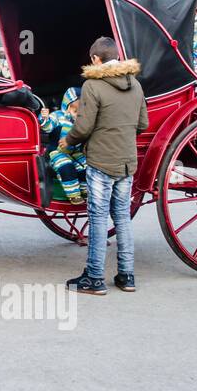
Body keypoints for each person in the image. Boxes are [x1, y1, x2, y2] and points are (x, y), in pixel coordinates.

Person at [62, 37, 149, 295]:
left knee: (98, 218)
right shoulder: (135, 85)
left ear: (95, 60)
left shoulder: (93, 85)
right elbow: (143, 124)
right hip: (126, 162)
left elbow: (84, 127)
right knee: (122, 217)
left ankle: (95, 277)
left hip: (100, 160)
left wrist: (68, 141)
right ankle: (127, 276)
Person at [40, 88, 88, 204]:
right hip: (57, 152)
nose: (77, 114)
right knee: (65, 166)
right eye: (75, 110)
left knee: (85, 166)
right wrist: (45, 118)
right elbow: (48, 127)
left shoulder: (82, 120)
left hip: (75, 152)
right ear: (68, 106)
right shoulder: (58, 116)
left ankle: (84, 189)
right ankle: (74, 195)